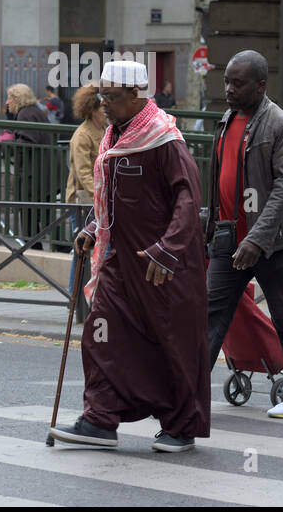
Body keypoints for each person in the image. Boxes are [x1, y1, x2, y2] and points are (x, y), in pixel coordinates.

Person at [50, 59, 210, 452]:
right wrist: (92, 228)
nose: (104, 103)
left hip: (161, 271)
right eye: (101, 95)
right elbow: (110, 202)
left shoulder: (164, 140)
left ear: (137, 95)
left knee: (170, 346)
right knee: (100, 336)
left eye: (112, 96)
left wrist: (168, 249)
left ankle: (180, 426)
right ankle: (99, 419)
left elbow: (188, 200)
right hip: (119, 266)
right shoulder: (113, 139)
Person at [205, 50, 283, 418]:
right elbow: (218, 181)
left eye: (237, 83)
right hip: (228, 239)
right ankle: (187, 391)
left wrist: (256, 239)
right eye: (226, 81)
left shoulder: (282, 125)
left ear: (260, 85)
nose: (229, 89)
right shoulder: (226, 120)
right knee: (209, 315)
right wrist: (209, 230)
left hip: (274, 243)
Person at [64, 83, 107, 295]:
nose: (106, 111)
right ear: (92, 109)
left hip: (96, 198)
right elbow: (83, 173)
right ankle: (75, 295)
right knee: (81, 250)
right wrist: (101, 194)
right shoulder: (82, 135)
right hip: (82, 200)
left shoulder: (104, 131)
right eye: (102, 108)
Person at [7, 83, 55, 249]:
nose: (7, 102)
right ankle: (52, 246)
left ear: (17, 99)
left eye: (9, 98)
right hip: (44, 173)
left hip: (32, 176)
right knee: (43, 216)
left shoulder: (25, 114)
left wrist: (10, 145)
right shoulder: (35, 111)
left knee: (28, 215)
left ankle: (34, 252)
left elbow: (26, 143)